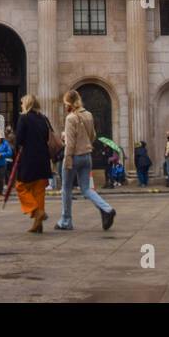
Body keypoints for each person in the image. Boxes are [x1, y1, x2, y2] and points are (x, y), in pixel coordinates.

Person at [53, 89, 116, 231]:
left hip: (73, 156)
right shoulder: (88, 114)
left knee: (66, 189)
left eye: (65, 103)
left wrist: (67, 159)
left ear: (68, 103)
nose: (65, 106)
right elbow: (93, 136)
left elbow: (70, 143)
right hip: (87, 156)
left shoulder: (71, 118)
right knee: (86, 189)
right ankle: (107, 209)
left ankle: (65, 220)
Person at [14, 94, 54, 233]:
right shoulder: (43, 118)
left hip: (29, 159)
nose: (21, 106)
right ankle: (38, 224)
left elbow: (19, 139)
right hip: (43, 158)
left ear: (27, 104)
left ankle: (37, 212)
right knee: (39, 190)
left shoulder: (24, 118)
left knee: (21, 187)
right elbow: (47, 137)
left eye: (22, 103)